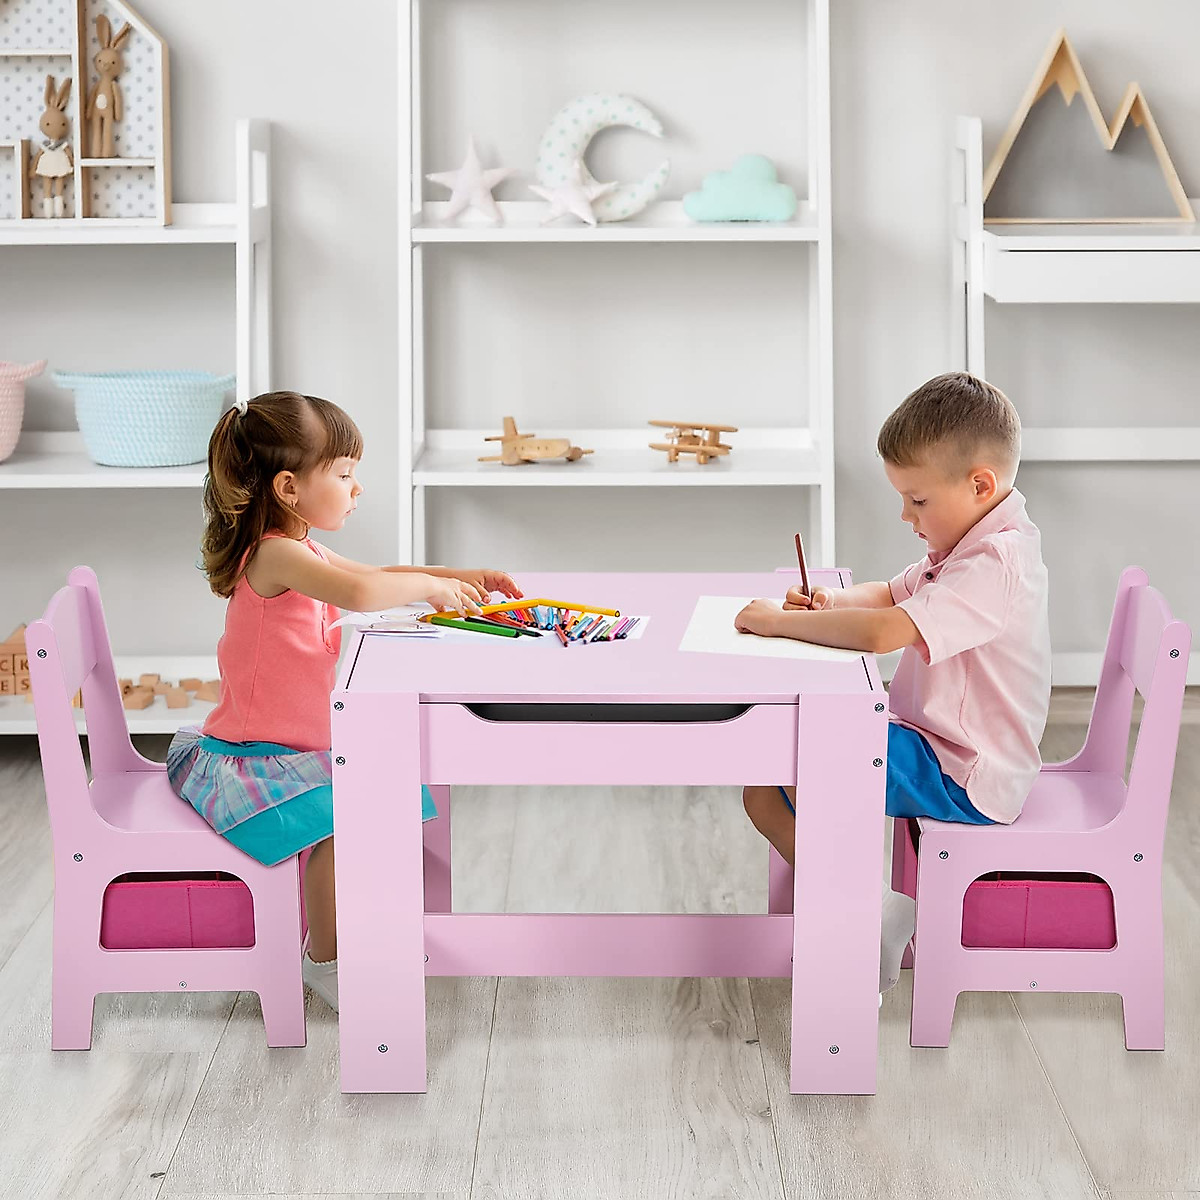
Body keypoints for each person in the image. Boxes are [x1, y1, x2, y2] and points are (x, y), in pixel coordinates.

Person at [166, 390, 522, 1012]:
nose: (357, 489)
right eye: (344, 474)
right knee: (345, 819)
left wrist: (458, 577)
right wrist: (432, 587)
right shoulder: (275, 553)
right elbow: (359, 593)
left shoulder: (300, 546)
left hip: (294, 746)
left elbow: (373, 575)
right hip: (255, 758)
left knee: (381, 790)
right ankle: (323, 959)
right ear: (288, 487)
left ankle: (371, 926)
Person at [737, 371, 1051, 993]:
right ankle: (860, 903)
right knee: (770, 773)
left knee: (783, 767)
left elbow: (885, 632)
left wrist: (780, 624)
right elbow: (888, 594)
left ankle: (869, 910)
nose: (906, 515)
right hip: (936, 748)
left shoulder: (994, 563)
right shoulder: (970, 543)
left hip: (964, 773)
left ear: (980, 485)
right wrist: (828, 603)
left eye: (917, 500)